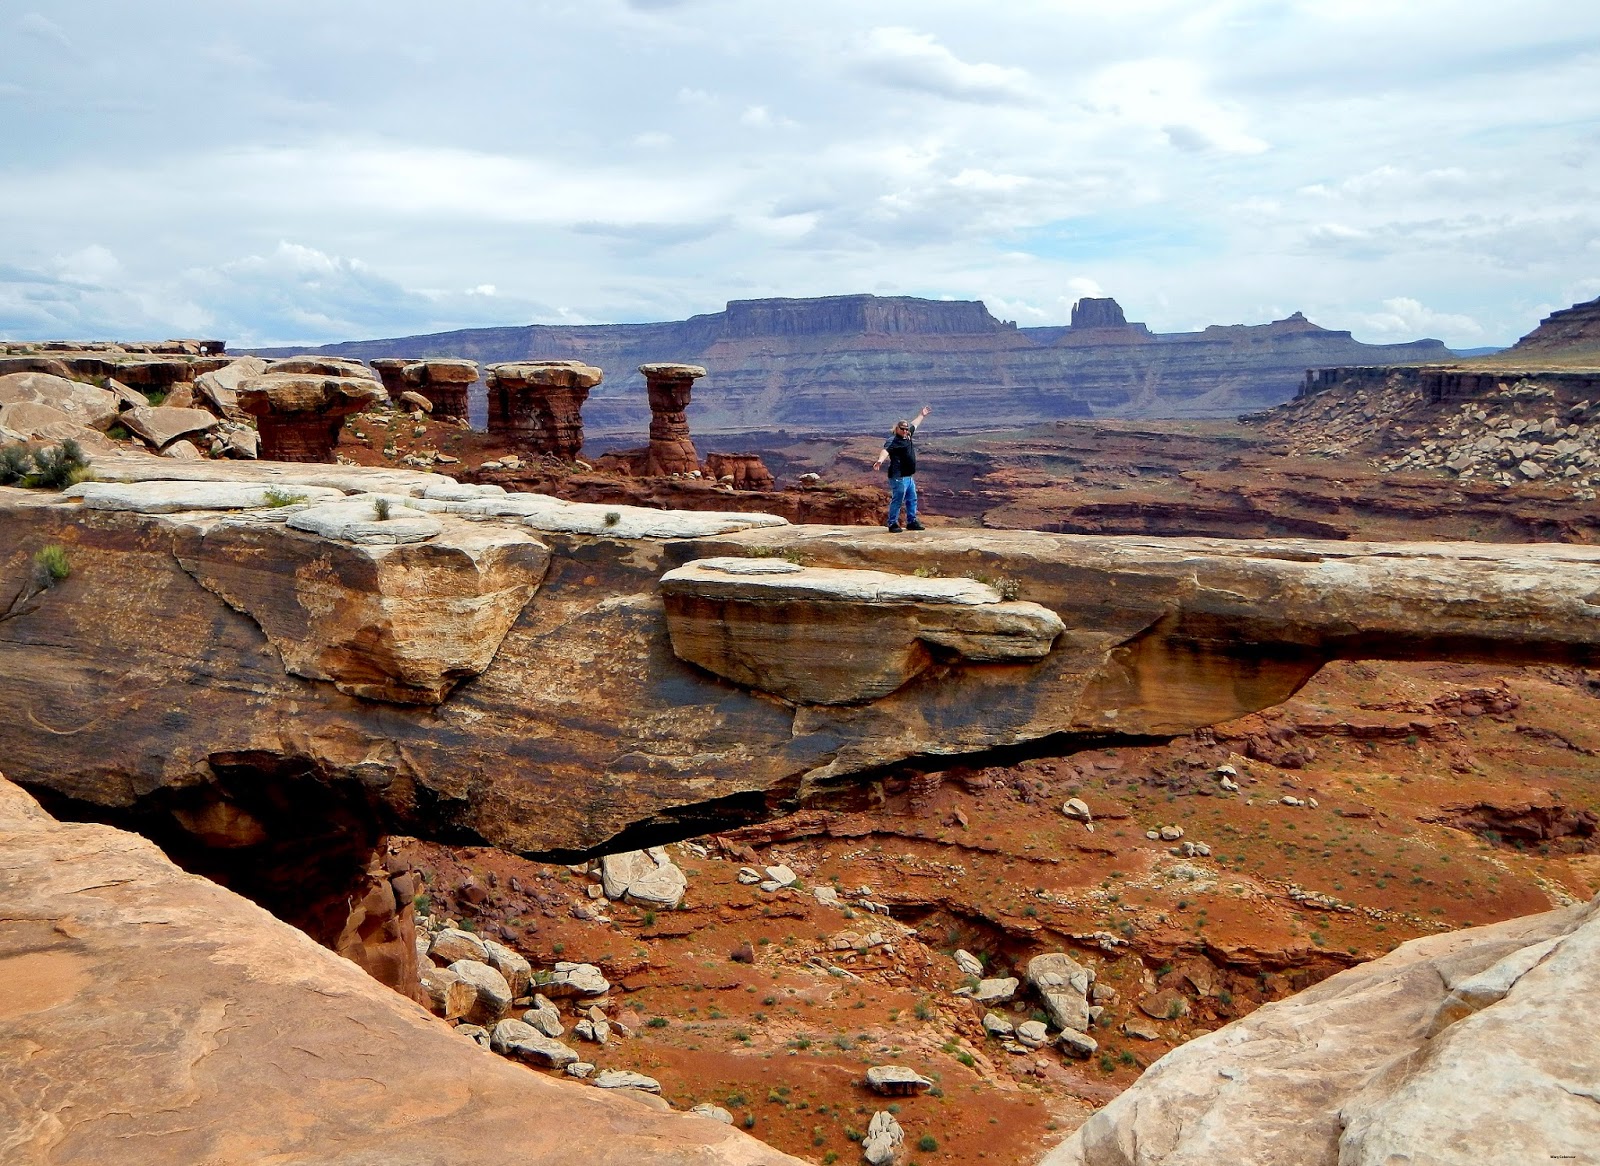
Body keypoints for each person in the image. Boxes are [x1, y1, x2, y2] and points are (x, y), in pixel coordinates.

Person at [873, 405, 931, 532]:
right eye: (902, 429)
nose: (905, 431)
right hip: (898, 477)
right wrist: (880, 460)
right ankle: (892, 524)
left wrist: (922, 415)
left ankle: (912, 522)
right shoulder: (893, 440)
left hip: (909, 477)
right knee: (898, 500)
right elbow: (885, 451)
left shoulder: (908, 435)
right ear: (896, 429)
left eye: (906, 429)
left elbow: (914, 424)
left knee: (912, 499)